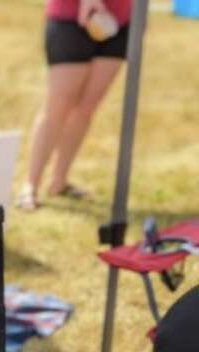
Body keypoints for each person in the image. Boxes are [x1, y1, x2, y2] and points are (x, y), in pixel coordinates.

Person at [17, 0, 132, 211]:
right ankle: (30, 186)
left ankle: (59, 182)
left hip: (118, 21)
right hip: (71, 18)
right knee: (57, 107)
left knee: (87, 107)